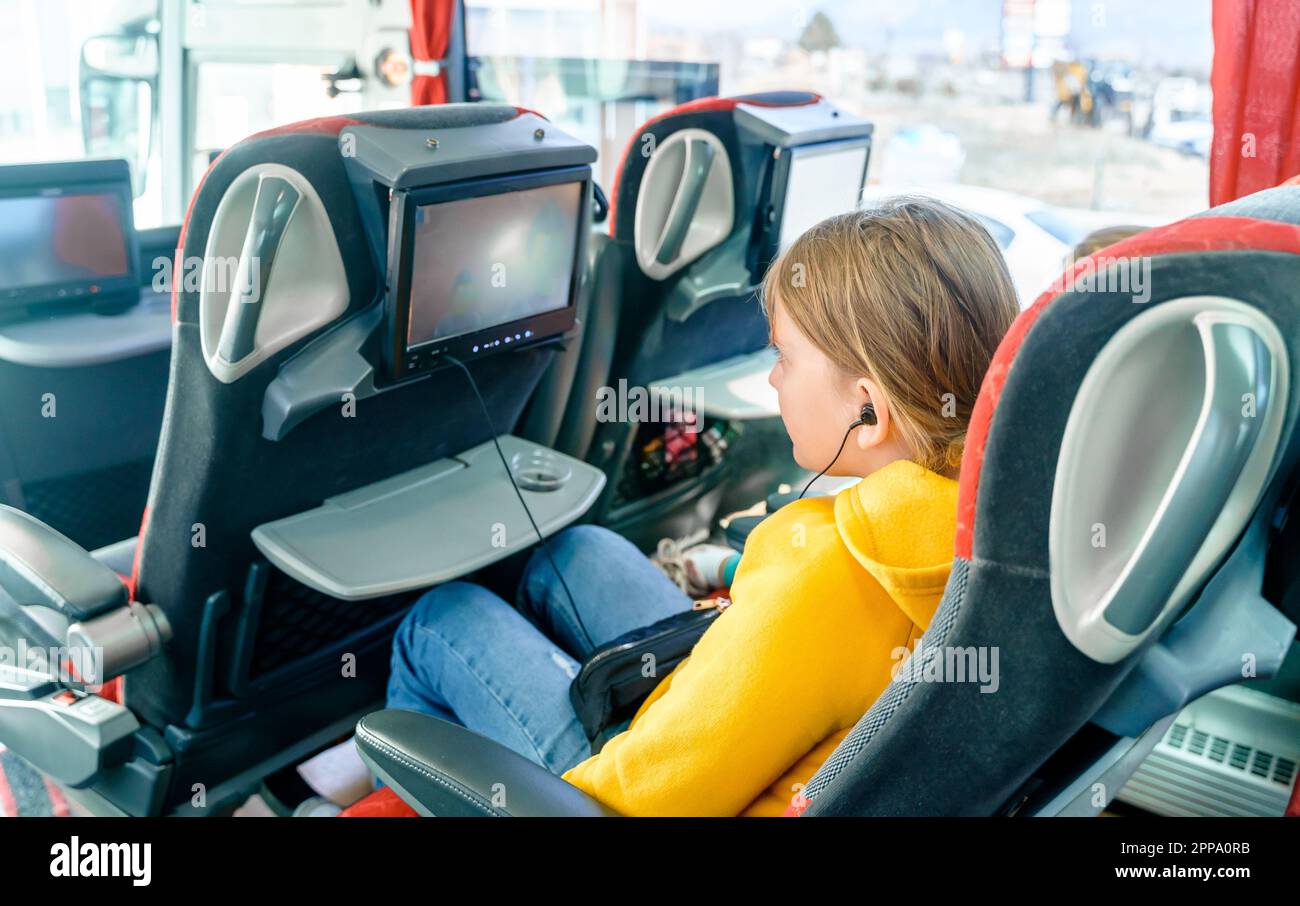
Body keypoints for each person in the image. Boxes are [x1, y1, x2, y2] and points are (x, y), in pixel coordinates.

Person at [385, 197, 1020, 815]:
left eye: (784, 357)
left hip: (616, 800)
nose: (773, 377)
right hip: (759, 731)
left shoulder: (828, 577)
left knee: (441, 619)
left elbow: (638, 798)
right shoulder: (1011, 513)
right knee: (577, 552)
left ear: (868, 411)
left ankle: (383, 795)